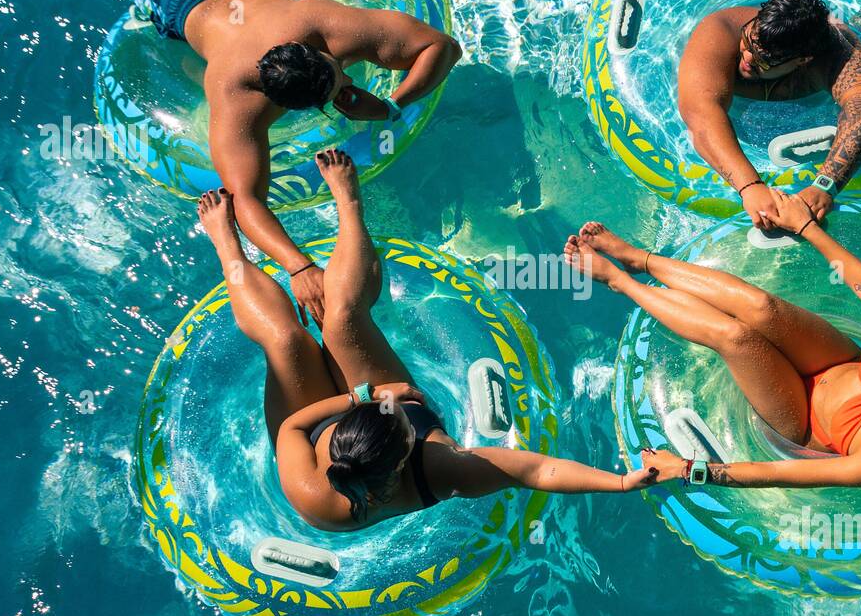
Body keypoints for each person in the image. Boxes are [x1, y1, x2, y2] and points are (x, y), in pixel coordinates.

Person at [17, 0, 462, 327]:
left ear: (311, 50)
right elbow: (246, 200)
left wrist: (395, 103)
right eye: (340, 78)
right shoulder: (239, 93)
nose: (346, 79)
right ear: (278, 105)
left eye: (335, 76)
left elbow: (442, 47)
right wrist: (300, 267)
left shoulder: (309, 28)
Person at [196, 148, 658, 531]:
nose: (392, 405)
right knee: (336, 324)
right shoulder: (440, 468)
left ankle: (234, 245)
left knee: (290, 341)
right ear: (402, 456)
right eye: (395, 416)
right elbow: (535, 470)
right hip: (338, 424)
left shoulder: (314, 492)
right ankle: (341, 210)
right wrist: (618, 483)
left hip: (312, 422)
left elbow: (294, 428)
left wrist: (367, 396)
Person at [563, 189, 861, 489]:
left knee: (735, 336)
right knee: (762, 306)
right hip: (832, 362)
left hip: (802, 420)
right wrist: (806, 227)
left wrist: (684, 469)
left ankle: (620, 281)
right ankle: (640, 259)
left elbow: (775, 473)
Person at [677, 0, 861, 227]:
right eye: (747, 41)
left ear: (802, 60)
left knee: (855, 28)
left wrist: (825, 184)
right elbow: (700, 113)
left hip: (828, 49)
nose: (747, 58)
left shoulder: (832, 62)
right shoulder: (721, 30)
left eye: (764, 59)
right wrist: (750, 187)